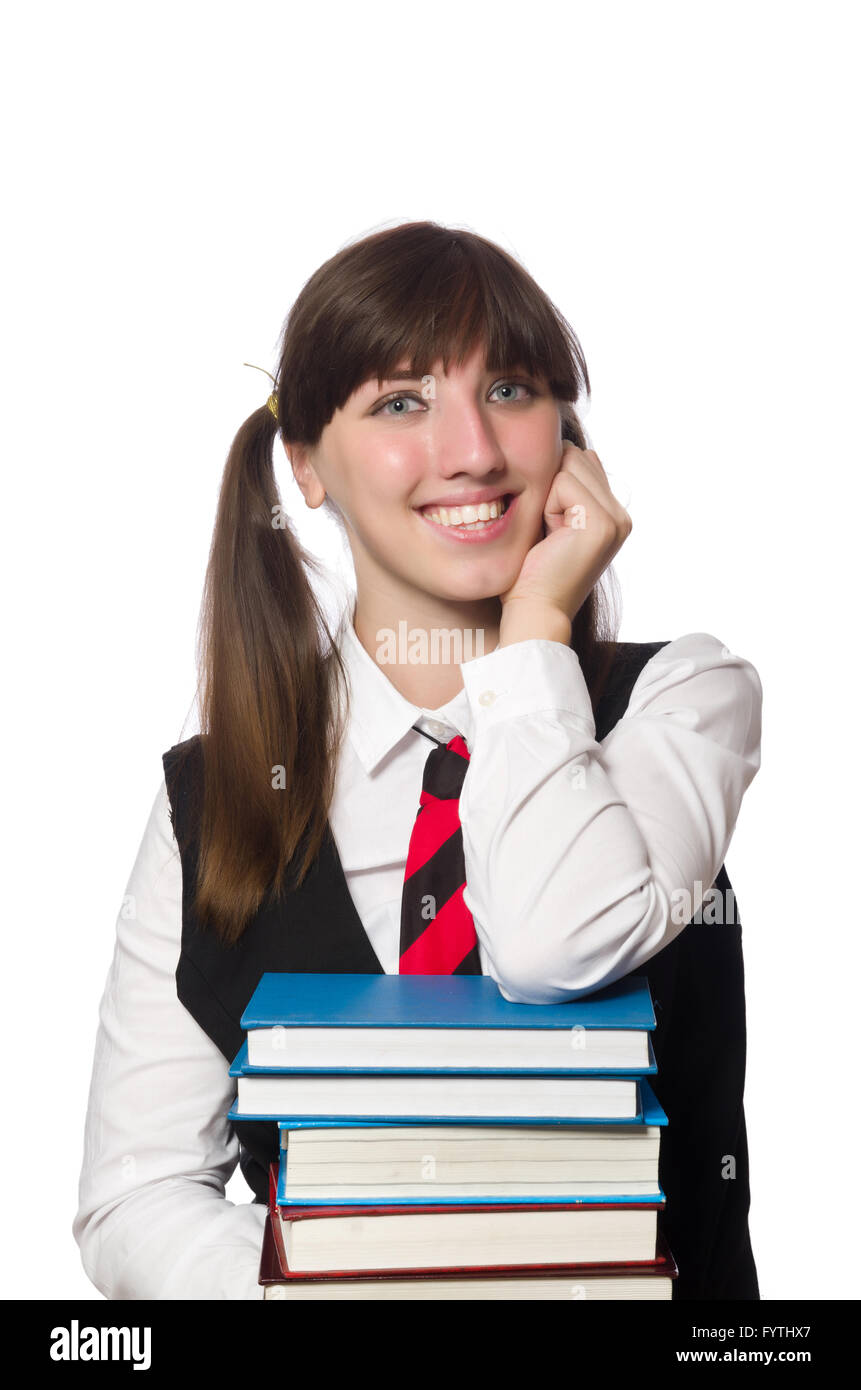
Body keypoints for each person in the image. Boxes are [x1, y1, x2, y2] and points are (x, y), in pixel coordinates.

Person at [73, 220, 763, 1300]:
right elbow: (138, 1193)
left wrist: (536, 628)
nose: (475, 452)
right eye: (402, 401)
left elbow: (550, 946)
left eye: (513, 390)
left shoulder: (683, 698)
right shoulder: (210, 801)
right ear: (304, 463)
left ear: (569, 439)